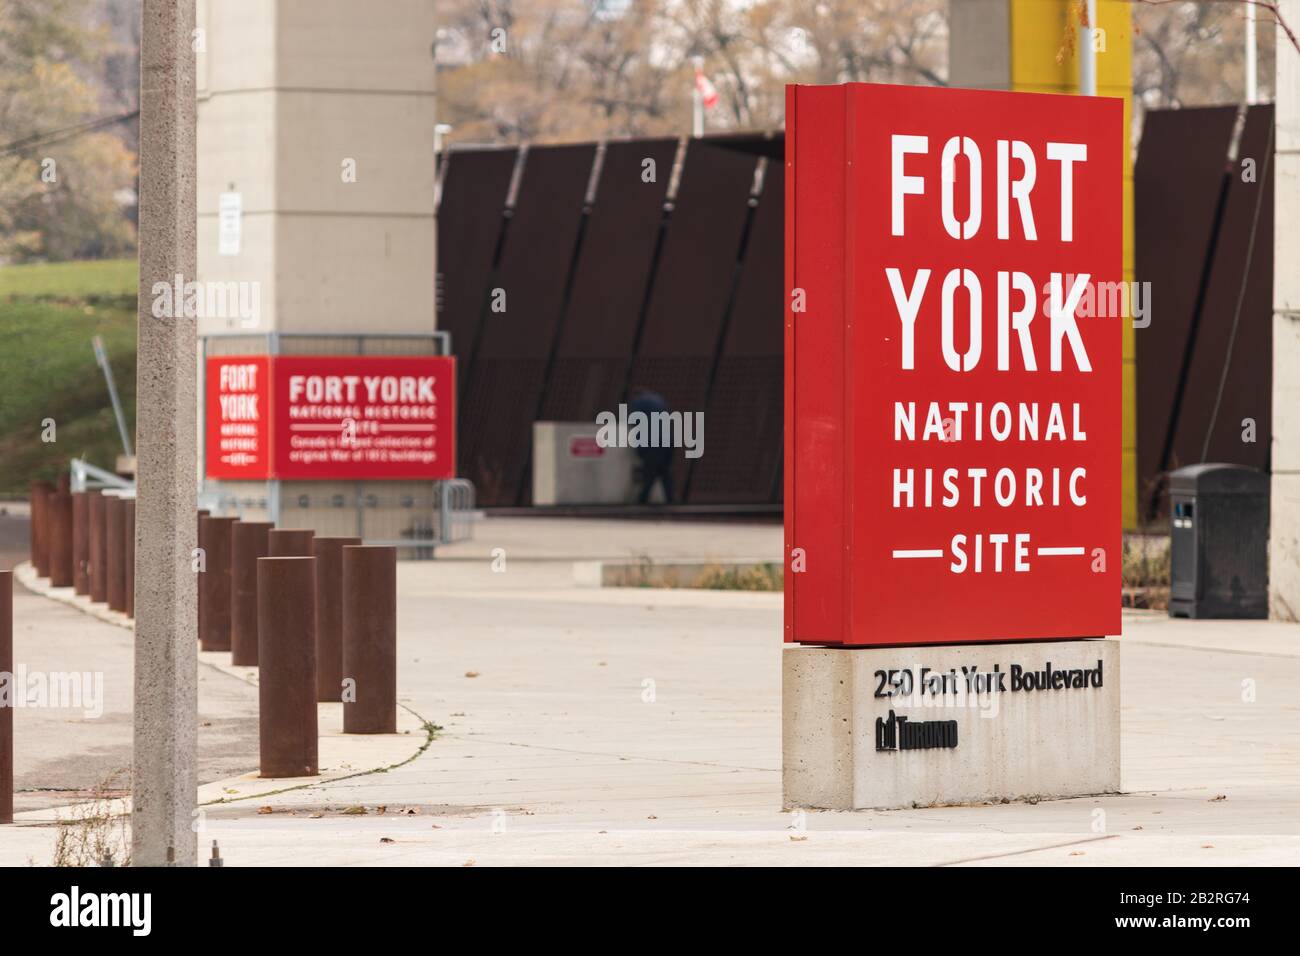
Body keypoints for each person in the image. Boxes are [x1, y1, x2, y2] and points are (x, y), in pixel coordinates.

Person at [629, 388, 674, 504]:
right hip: (668, 440)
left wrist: (639, 450)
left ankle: (642, 500)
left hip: (654, 442)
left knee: (650, 472)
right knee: (664, 472)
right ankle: (670, 499)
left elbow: (635, 423)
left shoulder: (639, 403)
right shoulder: (659, 401)